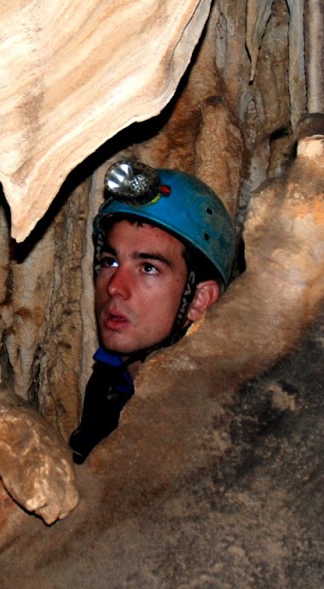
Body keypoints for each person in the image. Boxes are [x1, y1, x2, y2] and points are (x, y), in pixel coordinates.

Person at [69, 158, 238, 463]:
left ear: (199, 300)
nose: (115, 287)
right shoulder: (109, 381)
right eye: (110, 261)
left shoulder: (218, 425)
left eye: (148, 267)